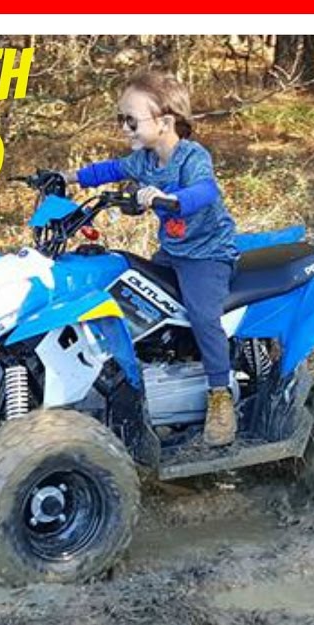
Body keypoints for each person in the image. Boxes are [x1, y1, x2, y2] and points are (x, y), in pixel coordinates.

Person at [62, 70, 238, 447]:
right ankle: (152, 384)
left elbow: (205, 190)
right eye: (120, 119)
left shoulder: (192, 157)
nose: (124, 128)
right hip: (172, 252)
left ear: (165, 122)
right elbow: (110, 169)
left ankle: (220, 395)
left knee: (203, 316)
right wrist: (66, 177)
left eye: (131, 120)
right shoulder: (144, 160)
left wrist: (171, 199)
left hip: (207, 255)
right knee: (138, 300)